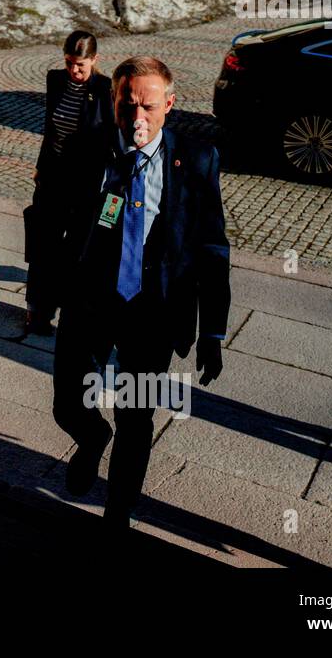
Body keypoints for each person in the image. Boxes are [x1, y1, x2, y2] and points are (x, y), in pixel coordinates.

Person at [47, 56, 229, 531]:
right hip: (90, 297)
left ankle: (118, 512)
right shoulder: (87, 149)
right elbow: (49, 221)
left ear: (170, 104)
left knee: (136, 414)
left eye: (148, 107)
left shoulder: (197, 160)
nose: (137, 119)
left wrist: (212, 330)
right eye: (128, 107)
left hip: (155, 305)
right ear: (114, 102)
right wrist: (41, 294)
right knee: (68, 401)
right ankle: (90, 437)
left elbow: (212, 247)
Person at [23, 31, 113, 336]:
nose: (74, 71)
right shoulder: (56, 80)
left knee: (74, 250)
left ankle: (70, 312)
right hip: (52, 177)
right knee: (42, 245)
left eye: (81, 66)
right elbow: (51, 128)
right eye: (69, 63)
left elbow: (110, 139)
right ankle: (37, 311)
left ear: (94, 61)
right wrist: (40, 165)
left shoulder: (105, 89)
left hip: (84, 185)